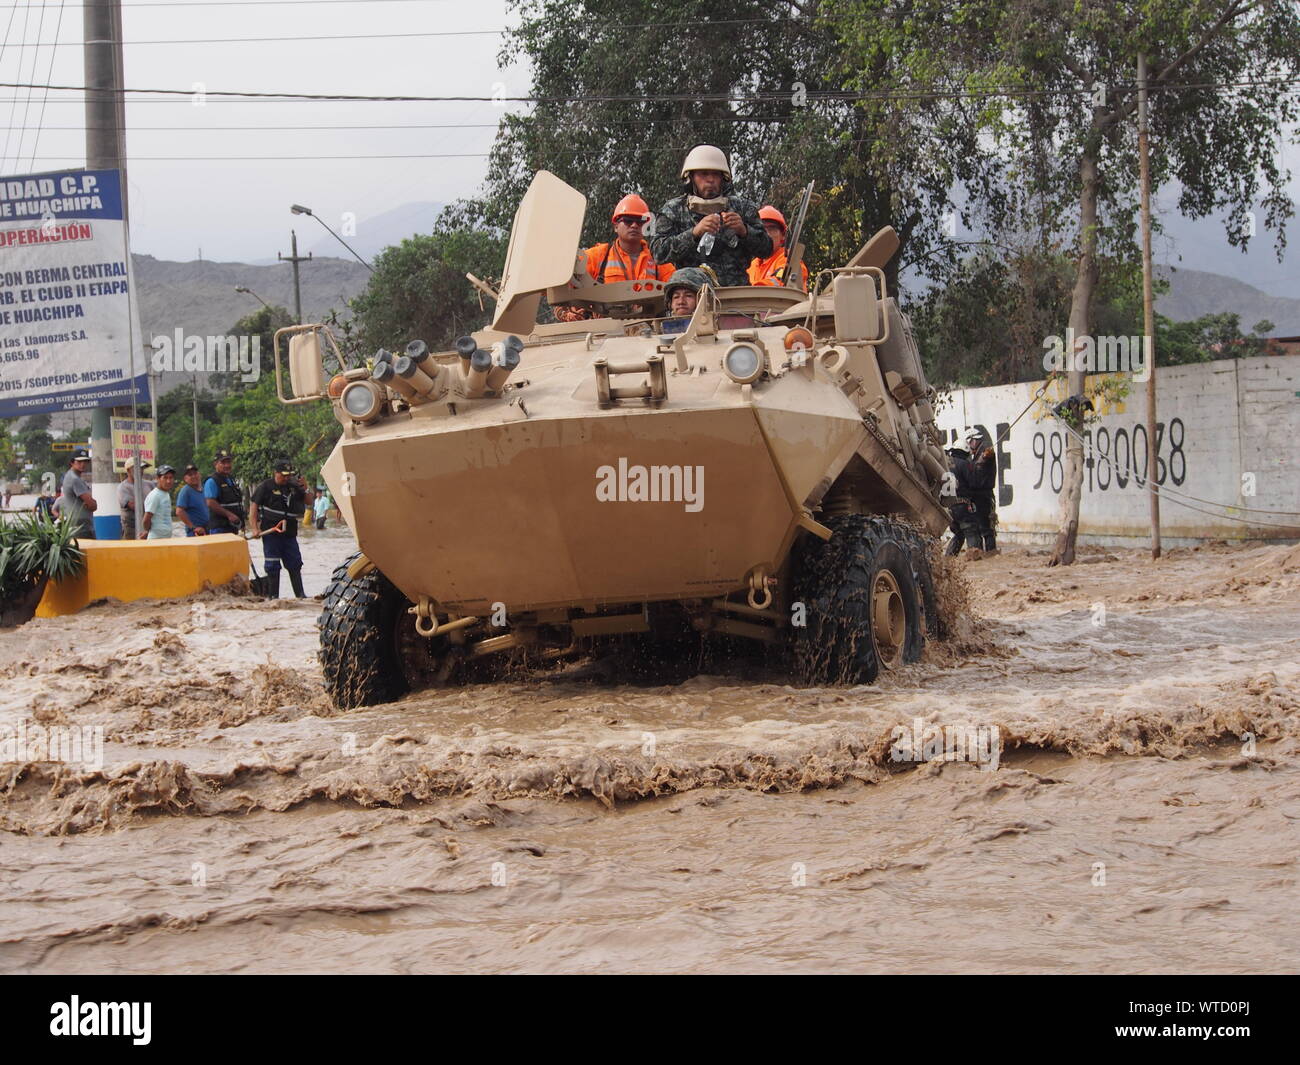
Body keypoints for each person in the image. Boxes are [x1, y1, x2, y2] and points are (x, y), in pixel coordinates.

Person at [649, 144, 772, 288]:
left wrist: (744, 231)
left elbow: (767, 250)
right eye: (704, 174)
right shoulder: (673, 209)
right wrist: (694, 233)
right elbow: (658, 253)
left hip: (737, 294)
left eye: (716, 174)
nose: (710, 179)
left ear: (723, 178)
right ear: (691, 178)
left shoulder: (743, 208)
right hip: (692, 297)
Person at [555, 193, 675, 323]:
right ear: (616, 226)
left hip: (650, 333)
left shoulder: (659, 259)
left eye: (640, 221)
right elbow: (559, 284)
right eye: (628, 220)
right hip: (603, 334)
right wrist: (566, 314)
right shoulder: (596, 257)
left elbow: (676, 292)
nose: (634, 225)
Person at [250, 458, 314, 599]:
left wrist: (306, 487)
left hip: (289, 533)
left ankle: (300, 596)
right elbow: (253, 508)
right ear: (275, 473)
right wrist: (254, 528)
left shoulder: (294, 486)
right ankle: (274, 597)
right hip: (272, 532)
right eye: (283, 475)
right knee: (273, 566)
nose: (286, 478)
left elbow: (309, 501)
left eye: (288, 475)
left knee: (295, 564)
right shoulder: (265, 486)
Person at [945, 428, 998, 559]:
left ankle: (948, 560)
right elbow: (973, 481)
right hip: (965, 504)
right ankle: (979, 558)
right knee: (975, 531)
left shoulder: (946, 463)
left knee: (959, 534)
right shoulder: (965, 464)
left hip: (949, 507)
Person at [747, 205, 809, 290]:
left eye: (772, 228)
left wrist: (750, 290)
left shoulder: (789, 260)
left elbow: (783, 282)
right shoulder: (751, 265)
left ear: (783, 236)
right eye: (762, 229)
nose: (767, 234)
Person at [204, 449, 246, 534]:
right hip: (220, 527)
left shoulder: (231, 479)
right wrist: (229, 515)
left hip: (233, 526)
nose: (227, 465)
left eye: (229, 462)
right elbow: (210, 502)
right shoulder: (212, 481)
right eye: (223, 463)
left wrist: (242, 523)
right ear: (215, 464)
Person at [60, 447, 97, 539]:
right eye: (79, 462)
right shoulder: (75, 479)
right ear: (72, 462)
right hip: (80, 525)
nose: (83, 464)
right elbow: (92, 505)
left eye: (85, 461)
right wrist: (92, 503)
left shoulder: (70, 476)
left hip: (74, 523)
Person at [117, 457, 154, 541]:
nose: (140, 471)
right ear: (129, 470)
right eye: (137, 468)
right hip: (131, 527)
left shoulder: (149, 484)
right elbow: (133, 506)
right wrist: (152, 508)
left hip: (149, 526)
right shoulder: (123, 487)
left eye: (142, 468)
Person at [141, 465, 177, 540]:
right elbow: (146, 520)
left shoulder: (165, 493)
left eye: (171, 478)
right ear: (158, 479)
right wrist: (148, 531)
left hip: (166, 538)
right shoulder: (155, 495)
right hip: (156, 539)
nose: (168, 481)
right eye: (165, 478)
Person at [175, 464, 210, 536]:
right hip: (196, 532)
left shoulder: (203, 489)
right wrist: (193, 527)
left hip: (208, 529)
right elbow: (179, 511)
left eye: (195, 473)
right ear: (185, 478)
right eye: (190, 475)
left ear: (199, 475)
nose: (194, 476)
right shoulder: (185, 491)